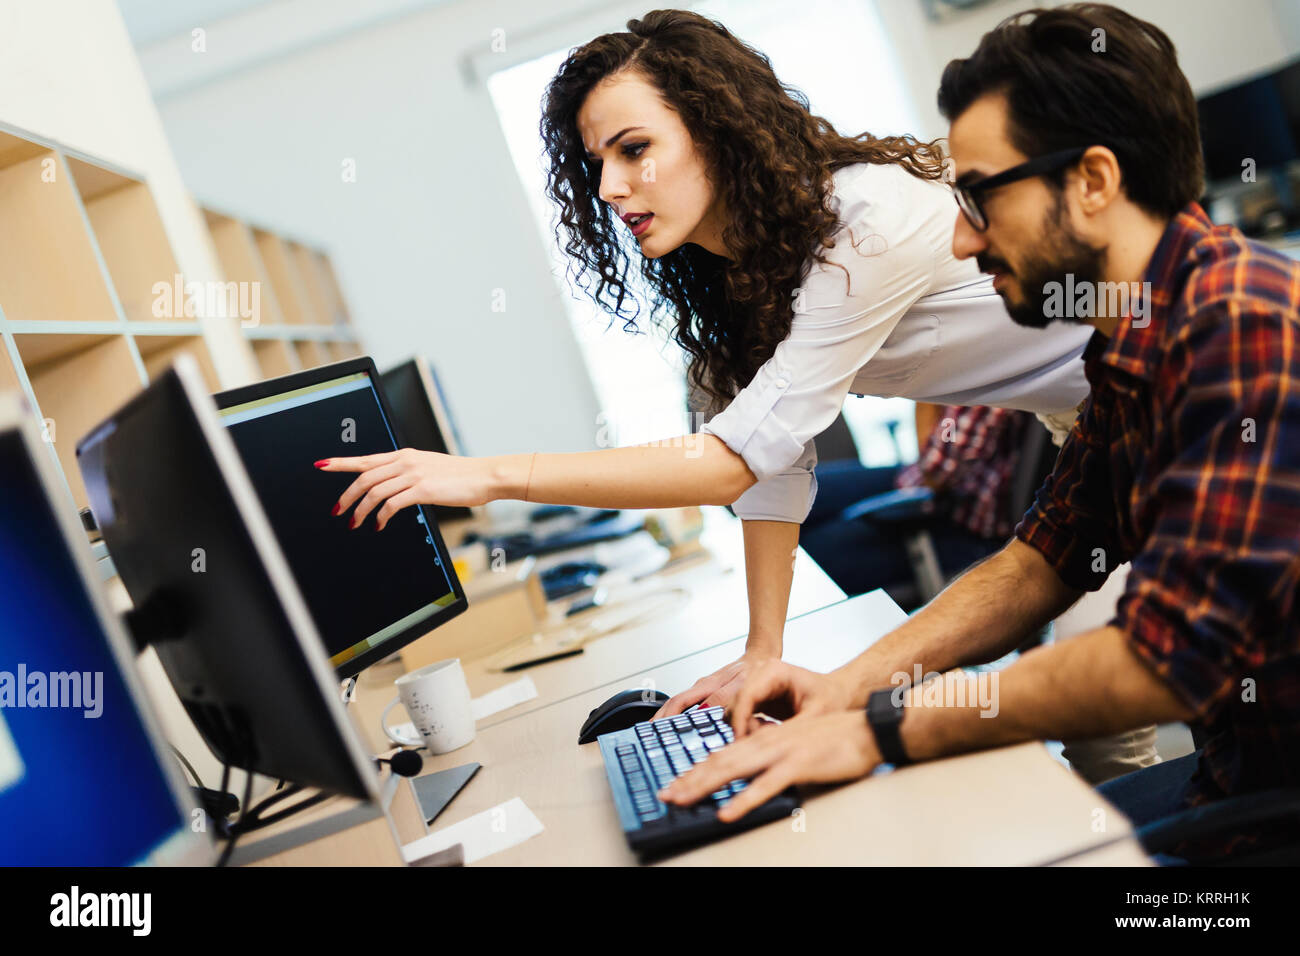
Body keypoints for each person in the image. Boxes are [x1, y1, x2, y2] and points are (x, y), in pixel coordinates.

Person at [656, 3, 1300, 863]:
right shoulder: (1141, 337)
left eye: (978, 195)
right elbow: (1041, 561)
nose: (960, 239)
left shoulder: (1238, 325)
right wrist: (843, 689)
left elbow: (1159, 662)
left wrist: (884, 731)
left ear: (1094, 182)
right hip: (1235, 783)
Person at [318, 9, 1091, 714]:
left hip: (1154, 386)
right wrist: (762, 653)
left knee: (1098, 704)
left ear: (719, 129)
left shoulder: (861, 224)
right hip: (1078, 432)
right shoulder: (737, 276)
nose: (611, 188)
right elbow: (772, 474)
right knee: (1086, 713)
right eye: (597, 163)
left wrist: (483, 475)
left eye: (635, 149)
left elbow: (729, 463)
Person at [800, 403, 1039, 606]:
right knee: (791, 489)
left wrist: (927, 396)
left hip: (957, 521)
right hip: (918, 478)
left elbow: (935, 473)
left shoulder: (985, 373)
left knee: (802, 556)